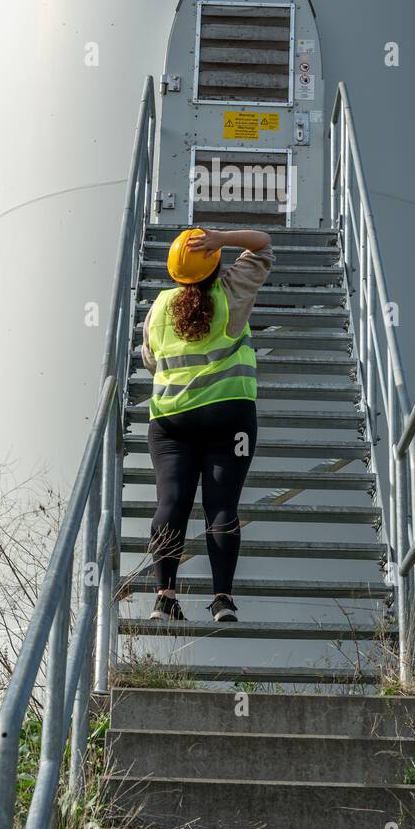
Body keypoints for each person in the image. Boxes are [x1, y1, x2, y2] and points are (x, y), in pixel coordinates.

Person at [140, 225, 273, 622]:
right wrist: (221, 237)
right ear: (215, 264)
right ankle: (222, 599)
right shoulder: (232, 292)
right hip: (228, 419)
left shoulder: (160, 306)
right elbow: (264, 243)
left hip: (170, 421)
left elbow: (149, 360)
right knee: (221, 505)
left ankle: (164, 596)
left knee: (171, 502)